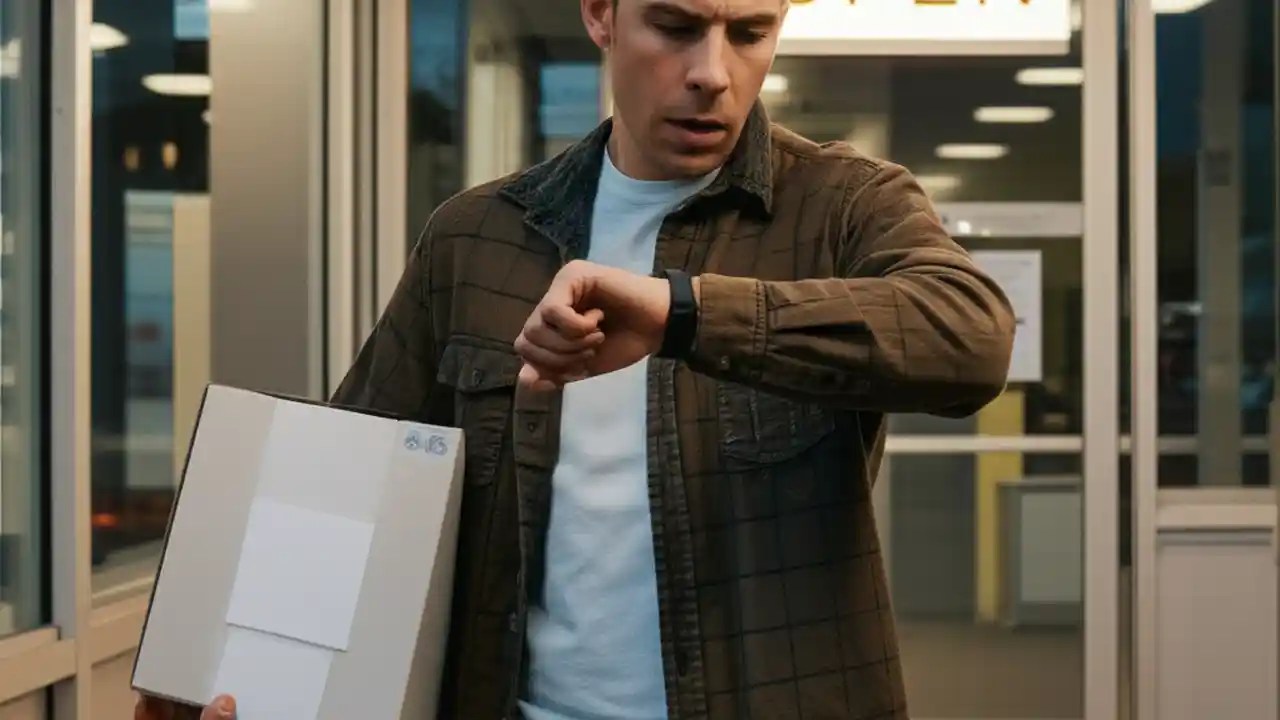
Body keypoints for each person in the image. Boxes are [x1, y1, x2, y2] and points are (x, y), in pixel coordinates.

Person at [138, 0, 1015, 717]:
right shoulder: (479, 239)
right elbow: (350, 486)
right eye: (674, 27)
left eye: (750, 32)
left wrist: (682, 312)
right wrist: (231, 673)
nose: (713, 72)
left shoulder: (842, 206)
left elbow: (970, 336)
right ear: (601, 14)